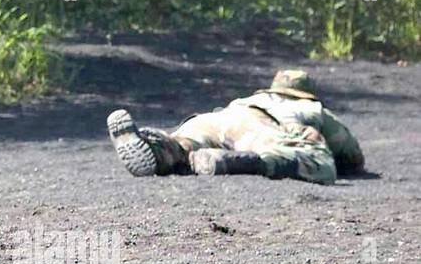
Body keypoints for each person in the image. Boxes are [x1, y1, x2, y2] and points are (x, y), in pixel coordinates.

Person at [106, 69, 364, 184]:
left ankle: (159, 147)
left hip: (218, 117)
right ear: (307, 94)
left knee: (183, 143)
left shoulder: (249, 98)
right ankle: (231, 162)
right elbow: (351, 155)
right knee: (320, 161)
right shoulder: (312, 109)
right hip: (261, 128)